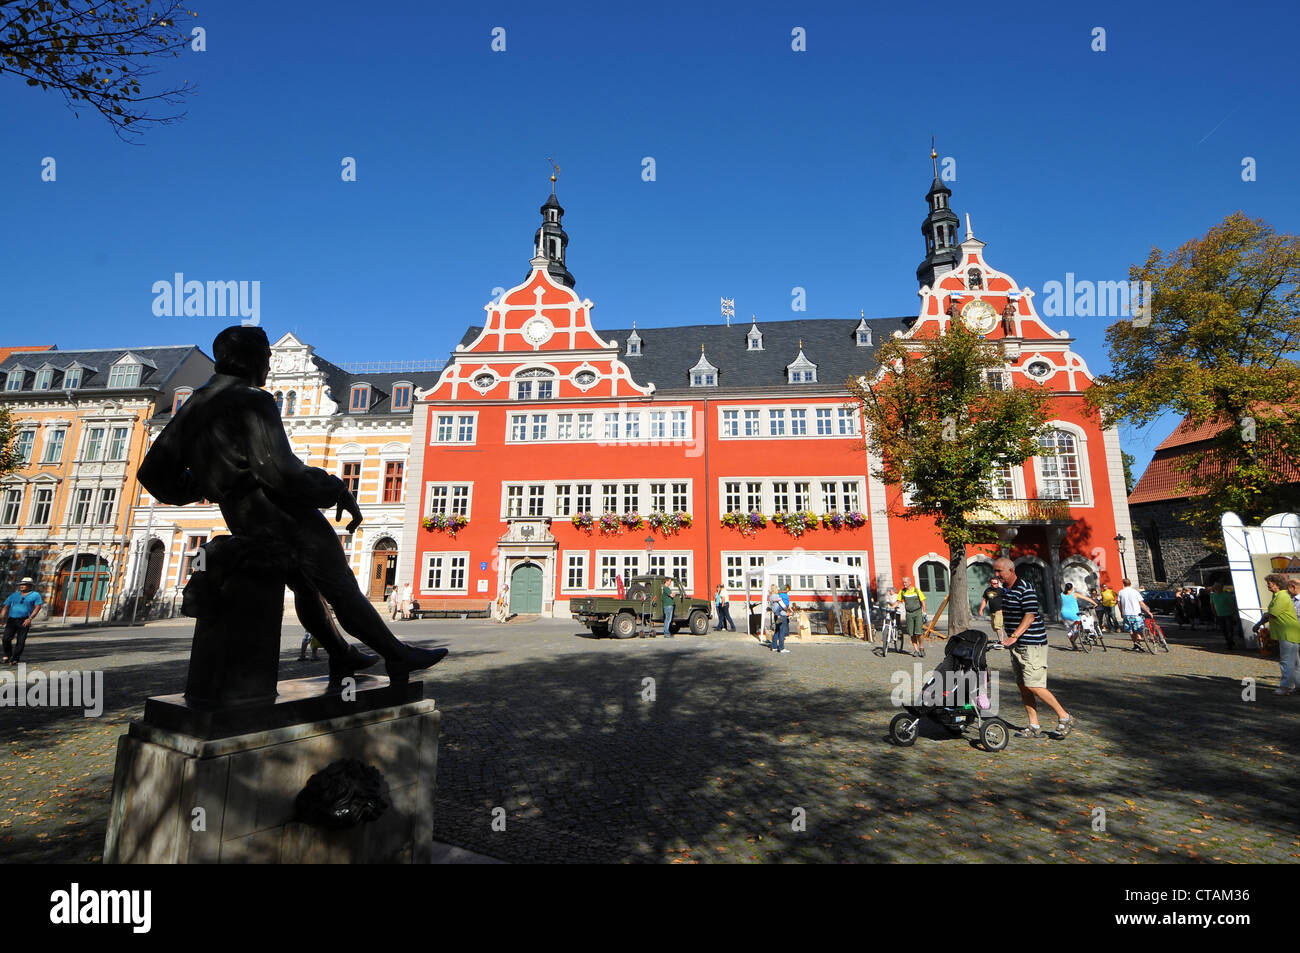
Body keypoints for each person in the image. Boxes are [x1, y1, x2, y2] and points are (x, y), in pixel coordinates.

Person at [137, 325, 446, 682]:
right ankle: (395, 654)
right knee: (339, 585)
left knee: (304, 585)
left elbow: (154, 474)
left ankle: (341, 653)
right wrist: (336, 489)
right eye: (266, 358)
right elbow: (280, 473)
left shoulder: (196, 404)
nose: (269, 368)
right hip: (285, 514)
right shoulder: (253, 400)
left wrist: (215, 484)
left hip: (244, 518)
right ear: (249, 358)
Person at [995, 557, 1073, 739]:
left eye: (999, 572)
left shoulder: (1025, 588)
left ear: (1010, 570)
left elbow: (1029, 616)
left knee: (1034, 684)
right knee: (1023, 686)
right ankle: (1034, 725)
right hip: (1018, 645)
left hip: (1032, 644)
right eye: (995, 572)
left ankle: (1064, 716)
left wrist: (1012, 636)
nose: (996, 575)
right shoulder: (1005, 590)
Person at [1256, 574, 1300, 695]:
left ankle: (1286, 687)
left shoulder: (1282, 597)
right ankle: (1297, 685)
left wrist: (1262, 620)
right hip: (1289, 632)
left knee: (1287, 661)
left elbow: (1273, 613)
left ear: (1277, 584)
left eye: (1269, 582)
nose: (1268, 585)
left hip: (1287, 633)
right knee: (1295, 662)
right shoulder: (1279, 596)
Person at [1, 577, 44, 665]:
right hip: (12, 620)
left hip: (24, 620)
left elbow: (37, 607)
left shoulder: (35, 595)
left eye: (24, 584)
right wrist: (2, 618)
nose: (21, 586)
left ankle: (15, 659)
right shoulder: (14, 595)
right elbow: (5, 606)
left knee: (20, 641)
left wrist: (30, 618)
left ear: (29, 586)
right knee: (5, 639)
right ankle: (8, 655)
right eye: (21, 584)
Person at [1116, 578, 1153, 650]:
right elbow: (1141, 603)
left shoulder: (1121, 592)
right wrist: (1148, 612)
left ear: (1123, 584)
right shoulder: (1135, 592)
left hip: (1126, 614)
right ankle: (1138, 642)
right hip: (1136, 614)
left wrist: (1121, 613)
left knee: (1131, 630)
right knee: (1139, 630)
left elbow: (1119, 604)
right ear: (1130, 583)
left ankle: (1135, 644)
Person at [1061, 583, 1097, 650]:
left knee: (1069, 630)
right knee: (1077, 630)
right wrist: (1095, 603)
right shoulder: (1074, 594)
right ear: (1072, 588)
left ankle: (1073, 645)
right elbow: (1086, 598)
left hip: (1064, 614)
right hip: (1074, 615)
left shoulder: (1062, 594)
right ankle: (1074, 640)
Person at [898, 576, 926, 657]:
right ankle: (916, 650)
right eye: (903, 582)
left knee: (919, 633)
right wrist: (891, 607)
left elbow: (923, 602)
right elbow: (898, 601)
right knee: (911, 633)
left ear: (910, 582)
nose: (904, 584)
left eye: (905, 582)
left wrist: (924, 613)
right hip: (909, 614)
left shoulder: (917, 591)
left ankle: (921, 647)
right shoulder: (903, 592)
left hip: (917, 613)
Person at [978, 576, 1005, 649]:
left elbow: (1007, 599)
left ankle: (1001, 642)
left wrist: (1004, 609)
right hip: (992, 611)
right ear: (990, 583)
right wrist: (981, 609)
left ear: (998, 583)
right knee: (994, 627)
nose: (994, 585)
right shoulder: (987, 590)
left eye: (996, 583)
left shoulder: (1001, 590)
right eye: (993, 583)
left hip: (999, 611)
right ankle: (1000, 640)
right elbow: (985, 600)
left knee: (997, 626)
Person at [1209, 583, 1238, 649]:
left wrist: (1234, 614)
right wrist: (1214, 614)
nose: (1216, 589)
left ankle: (1229, 642)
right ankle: (1228, 640)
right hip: (1219, 615)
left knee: (1229, 629)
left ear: (1221, 588)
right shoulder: (1212, 595)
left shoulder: (1227, 595)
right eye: (1215, 588)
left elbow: (1232, 605)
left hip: (1228, 614)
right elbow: (1212, 605)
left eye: (1218, 587)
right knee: (1223, 629)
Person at [768, 583, 789, 653]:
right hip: (781, 615)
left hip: (776, 615)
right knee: (782, 631)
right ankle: (781, 648)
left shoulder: (770, 596)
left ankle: (774, 646)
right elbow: (783, 605)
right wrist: (787, 609)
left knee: (777, 630)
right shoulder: (777, 596)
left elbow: (772, 606)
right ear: (775, 589)